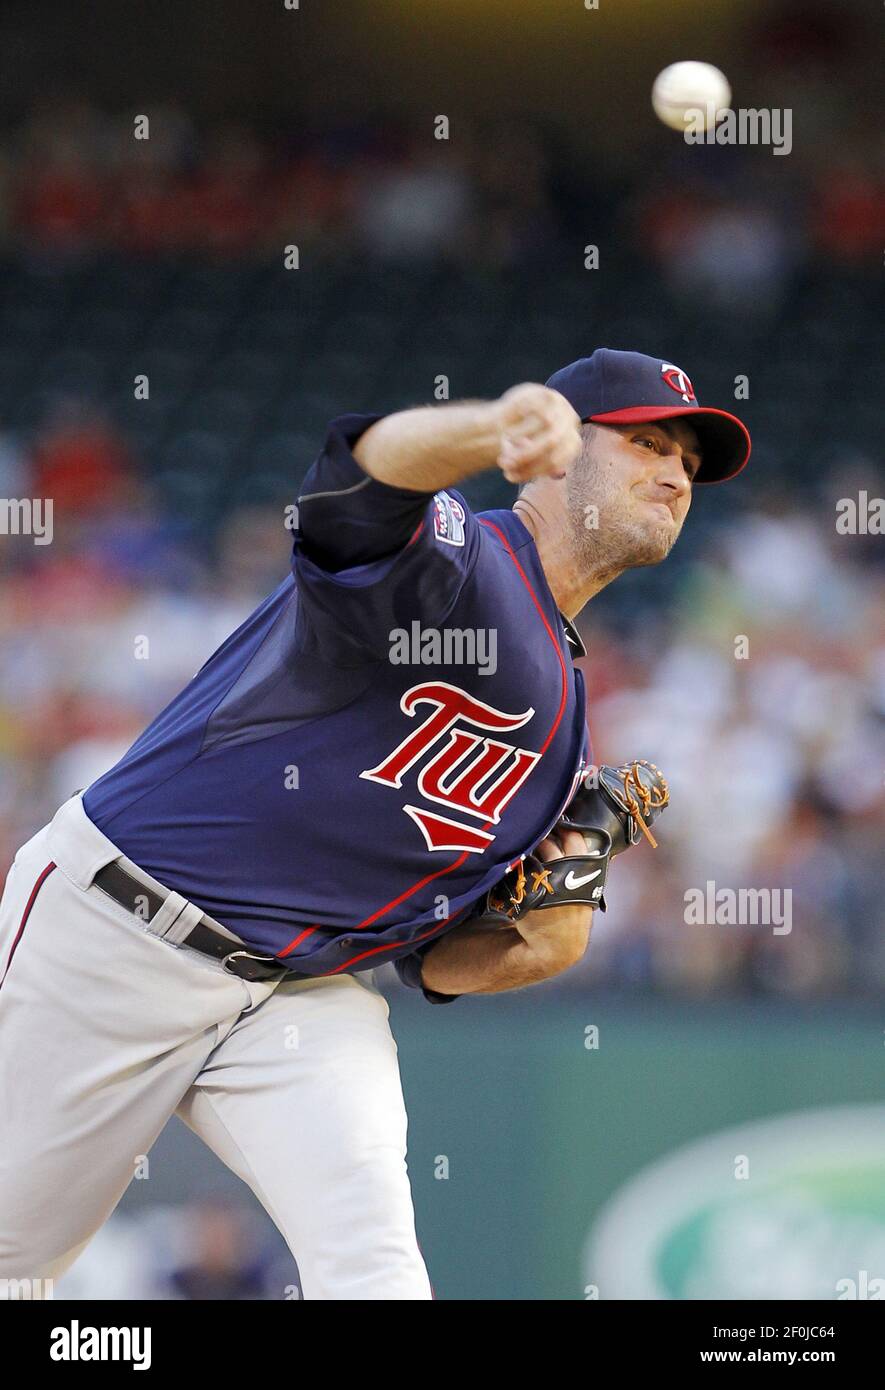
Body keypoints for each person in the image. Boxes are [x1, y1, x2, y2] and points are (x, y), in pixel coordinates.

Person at [0, 348, 750, 1300]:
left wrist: (539, 940)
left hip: (295, 993)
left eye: (688, 461)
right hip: (119, 931)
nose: (676, 473)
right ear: (559, 455)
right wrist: (488, 427)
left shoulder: (565, 736)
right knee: (16, 1265)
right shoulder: (455, 566)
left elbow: (433, 960)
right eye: (647, 442)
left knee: (376, 1272)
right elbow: (362, 476)